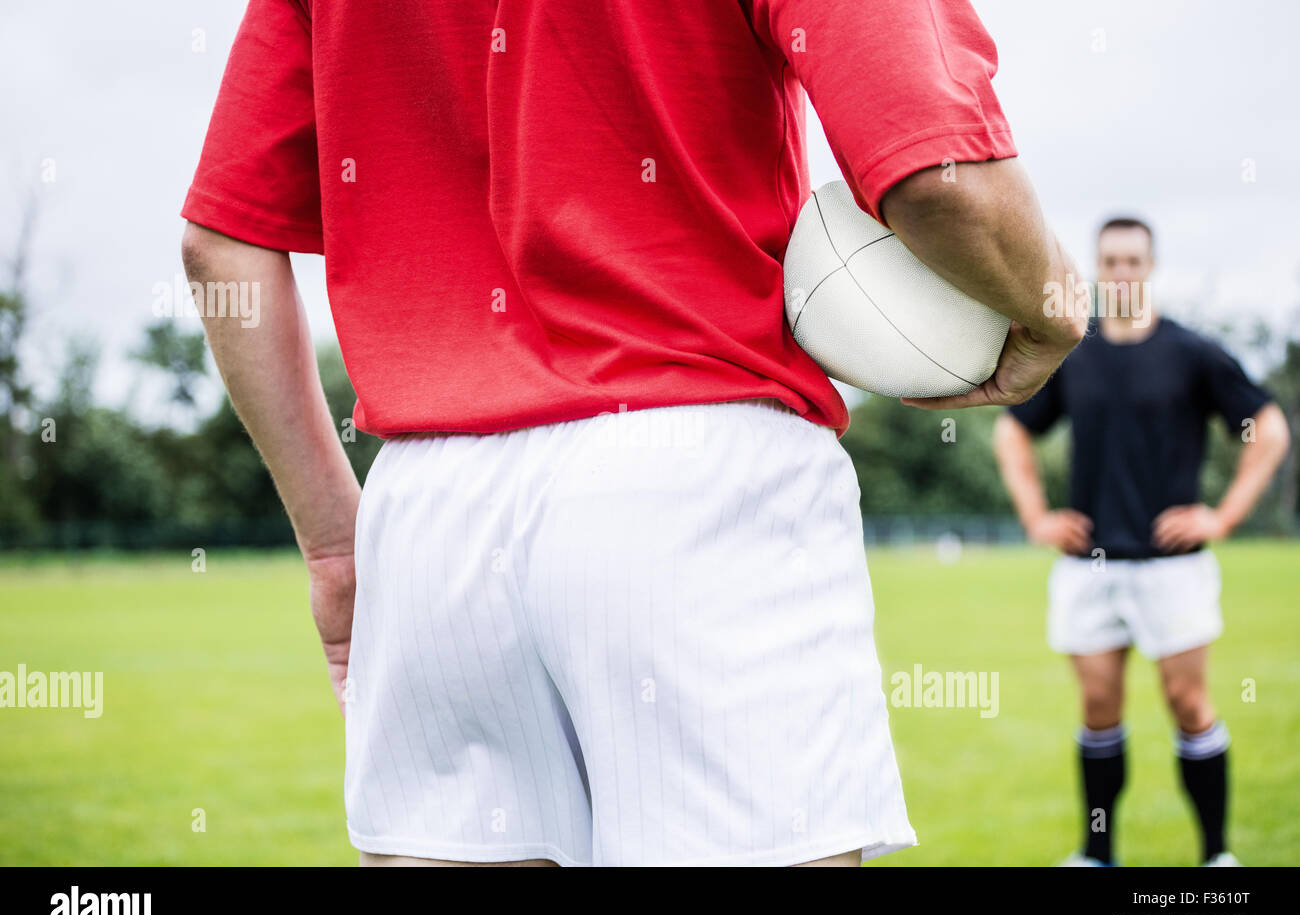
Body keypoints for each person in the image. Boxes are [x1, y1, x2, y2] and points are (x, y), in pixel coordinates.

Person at [180, 0, 1084, 866]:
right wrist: (1054, 308)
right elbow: (939, 181)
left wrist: (340, 550)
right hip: (697, 473)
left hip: (425, 516)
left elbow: (219, 243)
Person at [992, 217, 1290, 866]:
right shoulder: (1074, 350)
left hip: (1172, 569)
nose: (1121, 273)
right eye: (1110, 261)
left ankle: (1216, 857)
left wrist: (1224, 516)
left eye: (1132, 261)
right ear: (1096, 269)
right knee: (1099, 708)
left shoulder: (1192, 353)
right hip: (1087, 569)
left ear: (1149, 267)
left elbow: (1267, 429)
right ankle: (1097, 854)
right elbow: (1012, 432)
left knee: (1188, 704)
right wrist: (1038, 515)